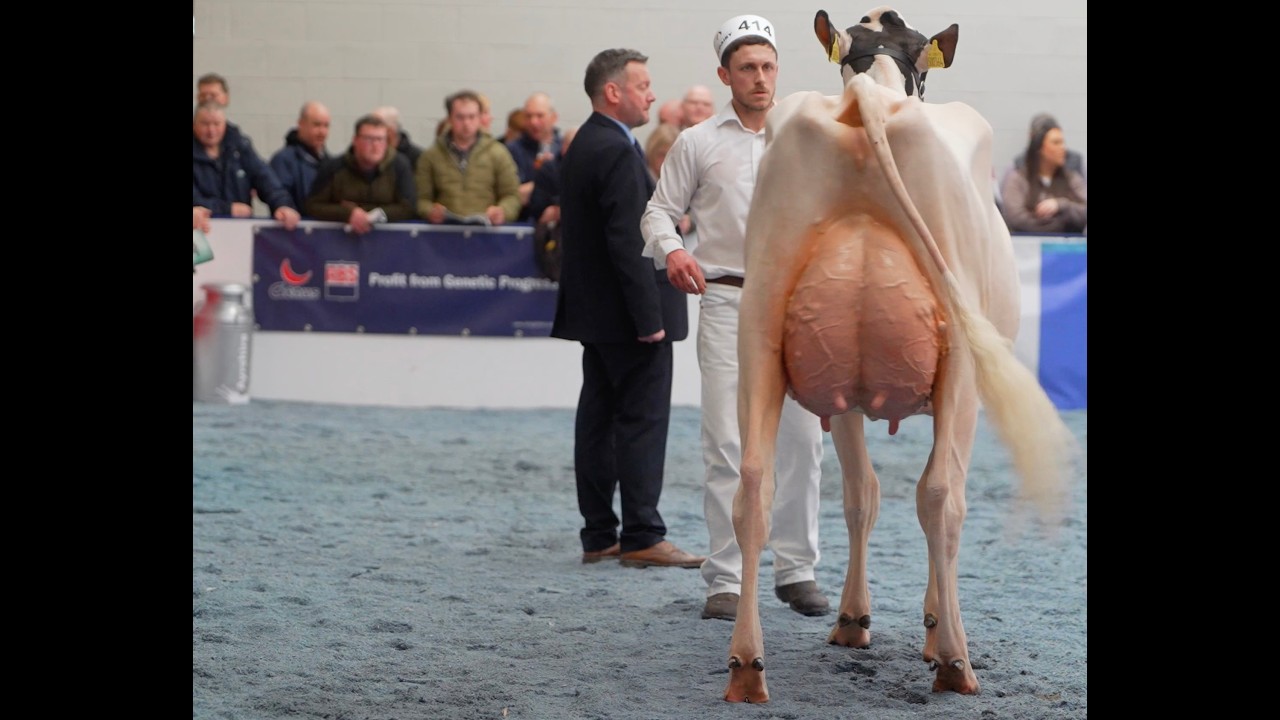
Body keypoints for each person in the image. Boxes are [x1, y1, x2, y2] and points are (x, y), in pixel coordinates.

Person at [641, 14, 829, 622]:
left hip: (800, 305)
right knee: (726, 439)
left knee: (802, 439)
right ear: (724, 75)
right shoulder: (697, 141)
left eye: (769, 66)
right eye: (747, 67)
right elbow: (658, 213)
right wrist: (671, 249)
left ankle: (796, 569)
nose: (760, 77)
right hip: (725, 300)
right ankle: (725, 577)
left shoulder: (807, 136)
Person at [553, 48, 702, 570]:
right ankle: (642, 533)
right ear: (613, 91)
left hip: (598, 318)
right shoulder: (616, 150)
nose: (653, 94)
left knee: (597, 419)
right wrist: (650, 320)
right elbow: (626, 241)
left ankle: (599, 534)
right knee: (641, 421)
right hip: (629, 318)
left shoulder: (586, 143)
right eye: (643, 85)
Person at [416, 90, 522, 226]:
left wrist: (503, 211)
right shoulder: (431, 156)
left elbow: (512, 195)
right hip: (444, 235)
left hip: (487, 235)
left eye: (472, 117)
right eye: (460, 117)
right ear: (449, 119)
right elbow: (420, 199)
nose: (466, 123)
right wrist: (429, 211)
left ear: (479, 118)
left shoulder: (498, 153)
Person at [193, 101, 300, 230]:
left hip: (240, 231)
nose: (211, 130)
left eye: (217, 124)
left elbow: (265, 178)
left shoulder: (240, 147)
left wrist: (282, 205)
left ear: (225, 124)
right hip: (201, 230)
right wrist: (227, 209)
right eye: (205, 124)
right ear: (195, 124)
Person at [304, 114, 417, 234]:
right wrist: (348, 213)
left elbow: (409, 207)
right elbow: (312, 206)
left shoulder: (400, 166)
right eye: (369, 139)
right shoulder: (334, 167)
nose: (375, 145)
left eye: (380, 139)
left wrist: (372, 215)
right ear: (355, 140)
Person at [999, 113, 1087, 233]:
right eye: (1056, 143)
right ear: (1040, 148)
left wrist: (1061, 205)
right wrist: (1059, 223)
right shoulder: (1018, 178)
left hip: (1068, 249)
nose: (1063, 148)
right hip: (1026, 248)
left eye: (1062, 142)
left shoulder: (1072, 178)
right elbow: (1015, 217)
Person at [507, 92, 565, 221]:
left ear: (554, 117)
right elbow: (513, 196)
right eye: (528, 116)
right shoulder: (512, 150)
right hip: (522, 225)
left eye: (540, 116)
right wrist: (546, 180)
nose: (533, 122)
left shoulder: (565, 149)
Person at [270, 101, 333, 212]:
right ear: (301, 124)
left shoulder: (332, 164)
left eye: (326, 126)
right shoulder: (283, 160)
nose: (322, 131)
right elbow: (279, 198)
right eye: (317, 125)